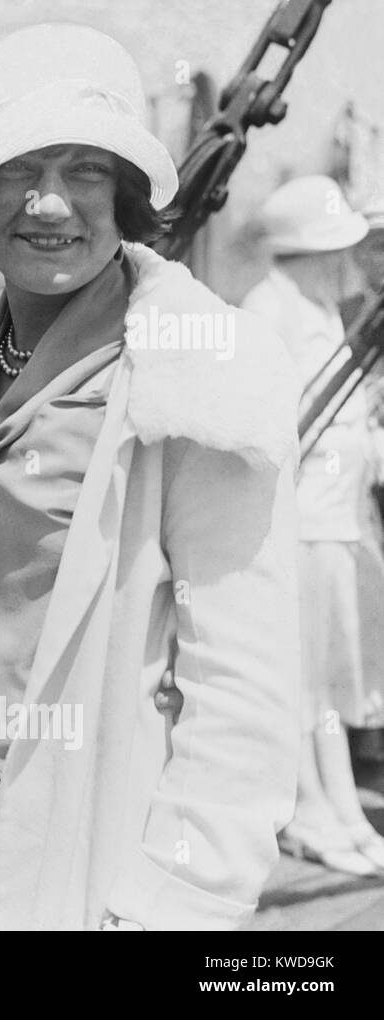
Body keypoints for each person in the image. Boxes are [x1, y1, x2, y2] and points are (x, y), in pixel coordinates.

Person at [0, 23, 302, 930]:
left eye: (87, 171)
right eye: (21, 170)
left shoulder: (199, 374)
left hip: (98, 876)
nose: (51, 205)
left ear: (131, 195)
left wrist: (176, 903)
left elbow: (244, 686)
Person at [242, 176, 384, 874]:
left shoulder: (321, 309)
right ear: (311, 250)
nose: (354, 261)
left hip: (338, 522)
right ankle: (303, 809)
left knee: (326, 679)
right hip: (296, 525)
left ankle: (341, 805)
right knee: (296, 680)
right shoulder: (270, 312)